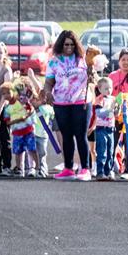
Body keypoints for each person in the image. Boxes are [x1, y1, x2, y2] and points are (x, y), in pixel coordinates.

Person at [43, 31, 92, 181]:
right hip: (61, 102)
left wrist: (92, 74)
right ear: (61, 45)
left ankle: (85, 169)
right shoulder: (53, 62)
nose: (69, 47)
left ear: (76, 45)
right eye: (66, 44)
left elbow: (93, 78)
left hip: (81, 102)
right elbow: (49, 82)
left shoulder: (83, 60)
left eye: (72, 44)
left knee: (81, 135)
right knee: (67, 136)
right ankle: (68, 168)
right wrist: (48, 93)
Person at [108, 49, 128, 180]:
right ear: (119, 61)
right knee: (112, 141)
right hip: (115, 115)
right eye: (123, 59)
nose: (126, 62)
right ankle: (109, 167)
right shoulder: (112, 76)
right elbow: (107, 93)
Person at [5, 83, 39, 177]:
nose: (22, 97)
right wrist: (18, 120)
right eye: (20, 95)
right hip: (17, 133)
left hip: (28, 131)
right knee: (18, 151)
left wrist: (27, 115)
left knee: (32, 149)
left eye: (25, 95)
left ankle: (36, 168)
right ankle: (20, 169)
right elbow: (7, 122)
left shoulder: (29, 106)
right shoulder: (9, 107)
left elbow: (31, 115)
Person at [92, 77, 117, 180]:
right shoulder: (99, 100)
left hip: (110, 128)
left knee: (110, 152)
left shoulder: (113, 99)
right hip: (101, 128)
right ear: (100, 89)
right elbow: (100, 114)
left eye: (110, 88)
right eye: (106, 88)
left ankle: (109, 171)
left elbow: (115, 113)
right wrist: (111, 111)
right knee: (102, 151)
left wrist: (117, 110)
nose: (109, 90)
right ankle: (100, 172)